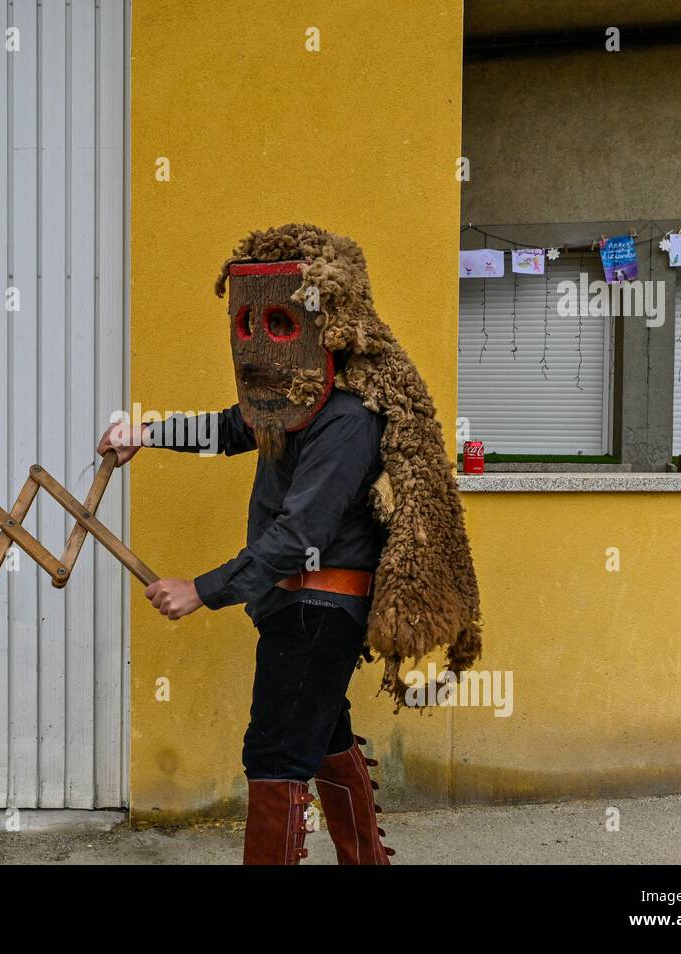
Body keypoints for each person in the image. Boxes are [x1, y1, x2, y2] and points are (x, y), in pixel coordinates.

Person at [98, 224, 482, 865]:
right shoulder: (298, 398)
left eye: (278, 322)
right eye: (251, 324)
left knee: (275, 757)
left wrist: (203, 590)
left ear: (327, 319)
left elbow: (302, 534)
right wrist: (148, 432)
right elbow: (233, 425)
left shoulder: (348, 417)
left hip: (318, 611)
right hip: (293, 608)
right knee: (325, 739)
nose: (259, 343)